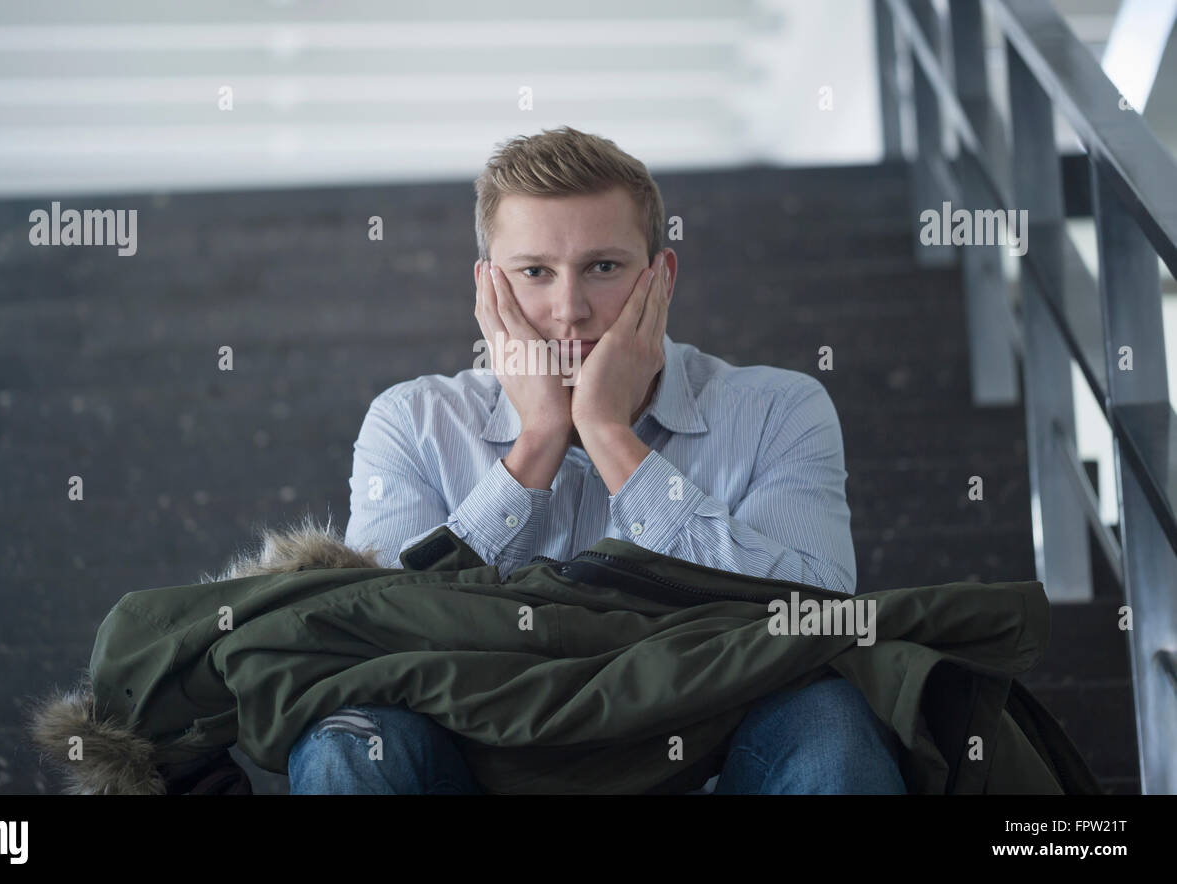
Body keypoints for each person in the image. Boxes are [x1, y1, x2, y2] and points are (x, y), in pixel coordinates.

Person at [288, 126, 905, 794]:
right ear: (487, 288)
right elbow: (374, 638)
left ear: (660, 277)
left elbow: (818, 616)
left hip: (708, 764)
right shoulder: (412, 421)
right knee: (351, 733)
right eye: (535, 272)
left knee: (832, 718)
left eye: (603, 268)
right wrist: (539, 441)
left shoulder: (780, 409)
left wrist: (611, 437)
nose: (569, 311)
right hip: (476, 767)